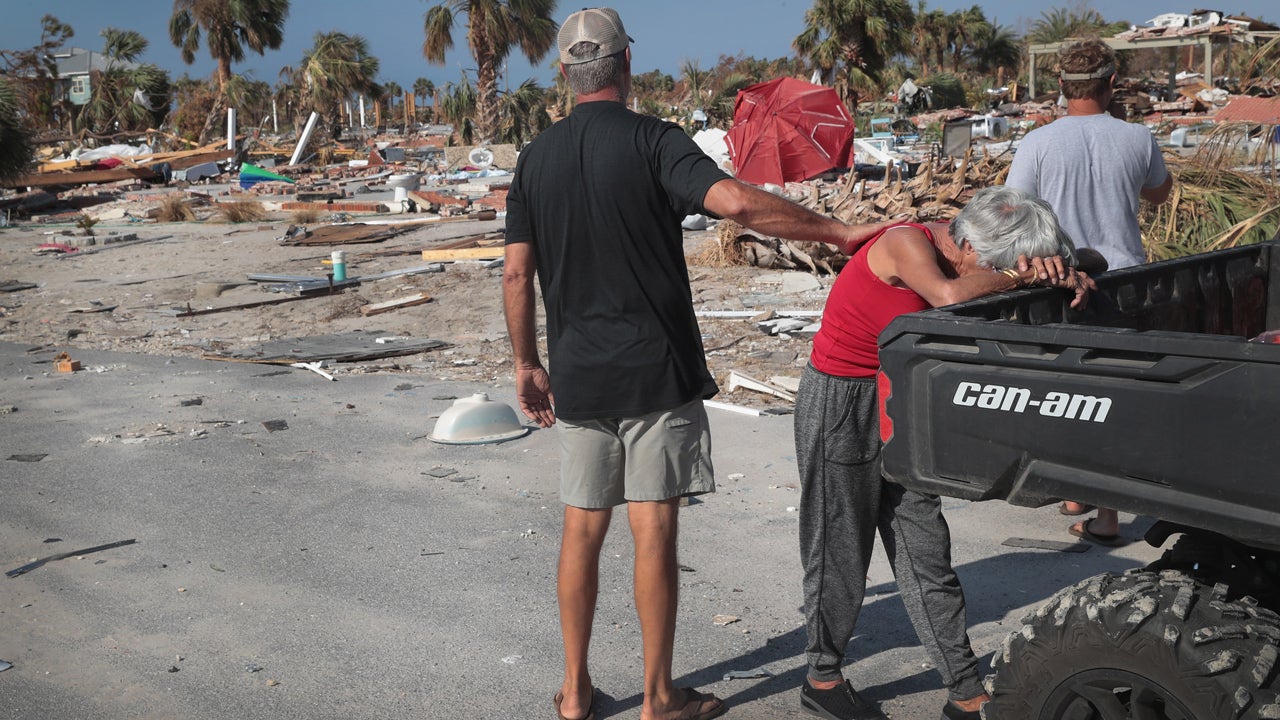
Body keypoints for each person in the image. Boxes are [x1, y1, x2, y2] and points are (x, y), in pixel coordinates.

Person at [502, 8, 896, 720]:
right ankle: (658, 698)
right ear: (626, 65)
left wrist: (528, 362)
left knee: (581, 527)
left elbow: (513, 274)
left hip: (580, 373)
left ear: (564, 76)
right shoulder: (656, 141)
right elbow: (737, 202)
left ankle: (574, 691)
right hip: (655, 371)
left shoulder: (535, 158)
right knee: (653, 528)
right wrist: (837, 232)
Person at [796, 186, 1092, 720]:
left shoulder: (975, 258)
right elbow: (948, 296)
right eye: (998, 267)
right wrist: (1019, 277)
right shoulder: (905, 241)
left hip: (904, 399)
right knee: (839, 544)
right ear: (972, 249)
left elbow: (1093, 258)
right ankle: (821, 678)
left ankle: (962, 687)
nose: (1002, 275)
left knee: (926, 547)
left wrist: (1066, 270)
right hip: (842, 400)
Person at [1006, 38, 1173, 544]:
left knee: (1065, 394)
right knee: (1112, 396)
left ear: (1060, 86)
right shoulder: (1137, 138)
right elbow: (1159, 192)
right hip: (1125, 282)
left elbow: (1014, 211)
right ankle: (1091, 500)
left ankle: (1096, 511)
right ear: (1113, 84)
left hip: (1060, 284)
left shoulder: (1039, 143)